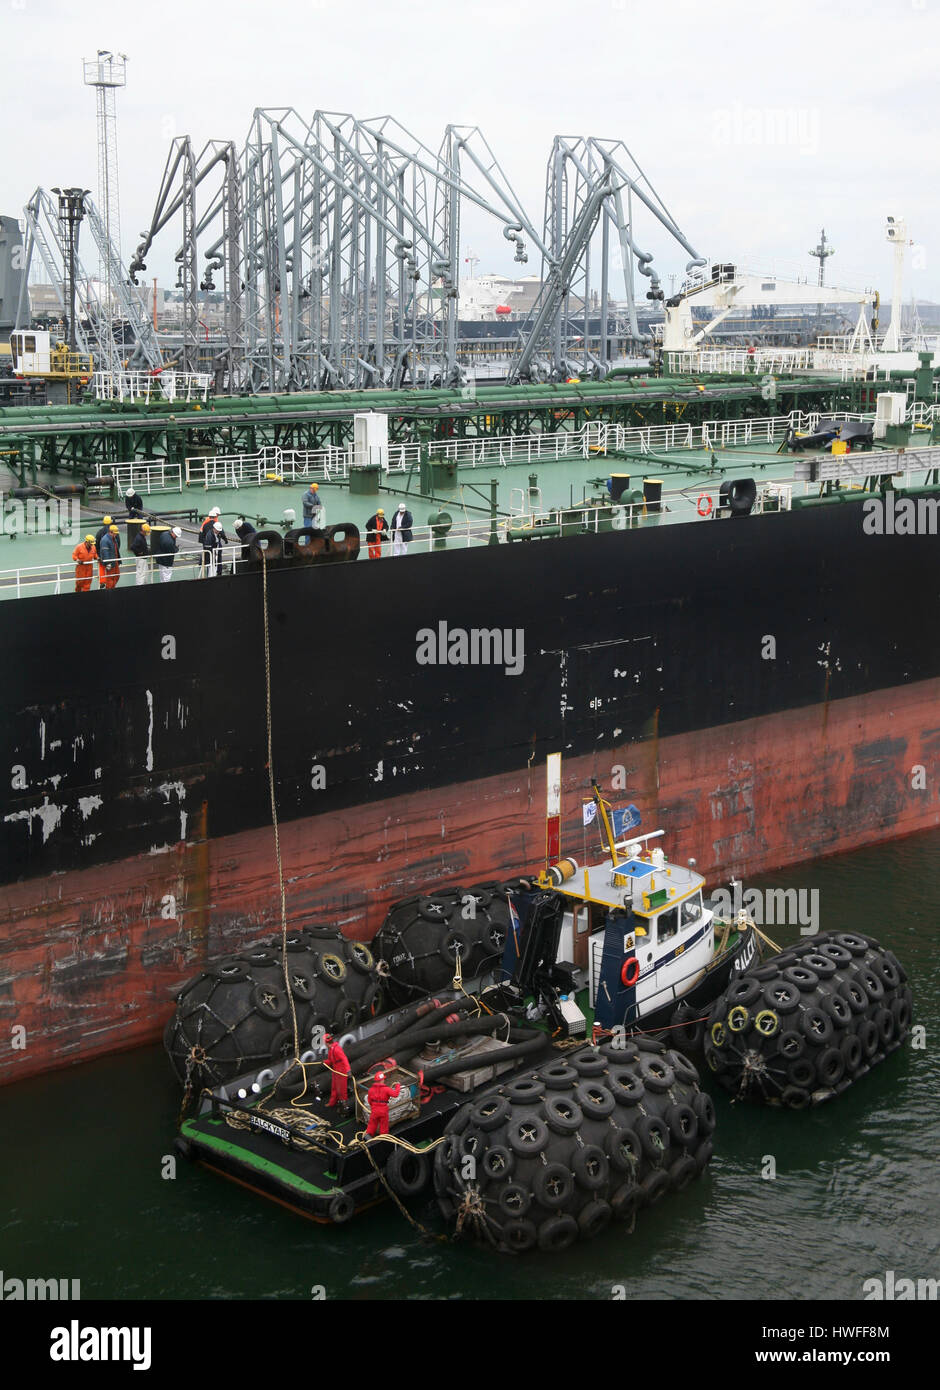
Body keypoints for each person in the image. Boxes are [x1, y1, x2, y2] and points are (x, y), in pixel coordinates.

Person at [365, 1070, 401, 1138]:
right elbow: (395, 1094)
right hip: (383, 1110)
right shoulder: (386, 1089)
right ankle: (383, 1138)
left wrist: (374, 1107)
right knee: (383, 1125)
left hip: (374, 1110)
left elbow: (369, 1101)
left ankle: (368, 1136)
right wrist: (398, 1086)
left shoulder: (371, 1090)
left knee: (372, 1124)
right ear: (382, 1080)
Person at [323, 1033, 351, 1110]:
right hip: (335, 1070)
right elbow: (331, 1061)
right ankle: (332, 1102)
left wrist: (348, 1070)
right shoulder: (330, 1050)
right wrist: (325, 1062)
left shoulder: (337, 1049)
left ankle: (344, 1105)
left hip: (341, 1070)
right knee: (334, 1087)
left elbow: (344, 1059)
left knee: (342, 1089)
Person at [98, 524, 121, 589]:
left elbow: (116, 549)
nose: (116, 535)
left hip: (115, 561)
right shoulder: (105, 540)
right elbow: (105, 552)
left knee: (117, 576)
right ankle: (109, 591)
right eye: (115, 533)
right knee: (110, 579)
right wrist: (108, 564)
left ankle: (112, 588)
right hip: (110, 563)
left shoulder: (113, 538)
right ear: (110, 532)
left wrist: (118, 560)